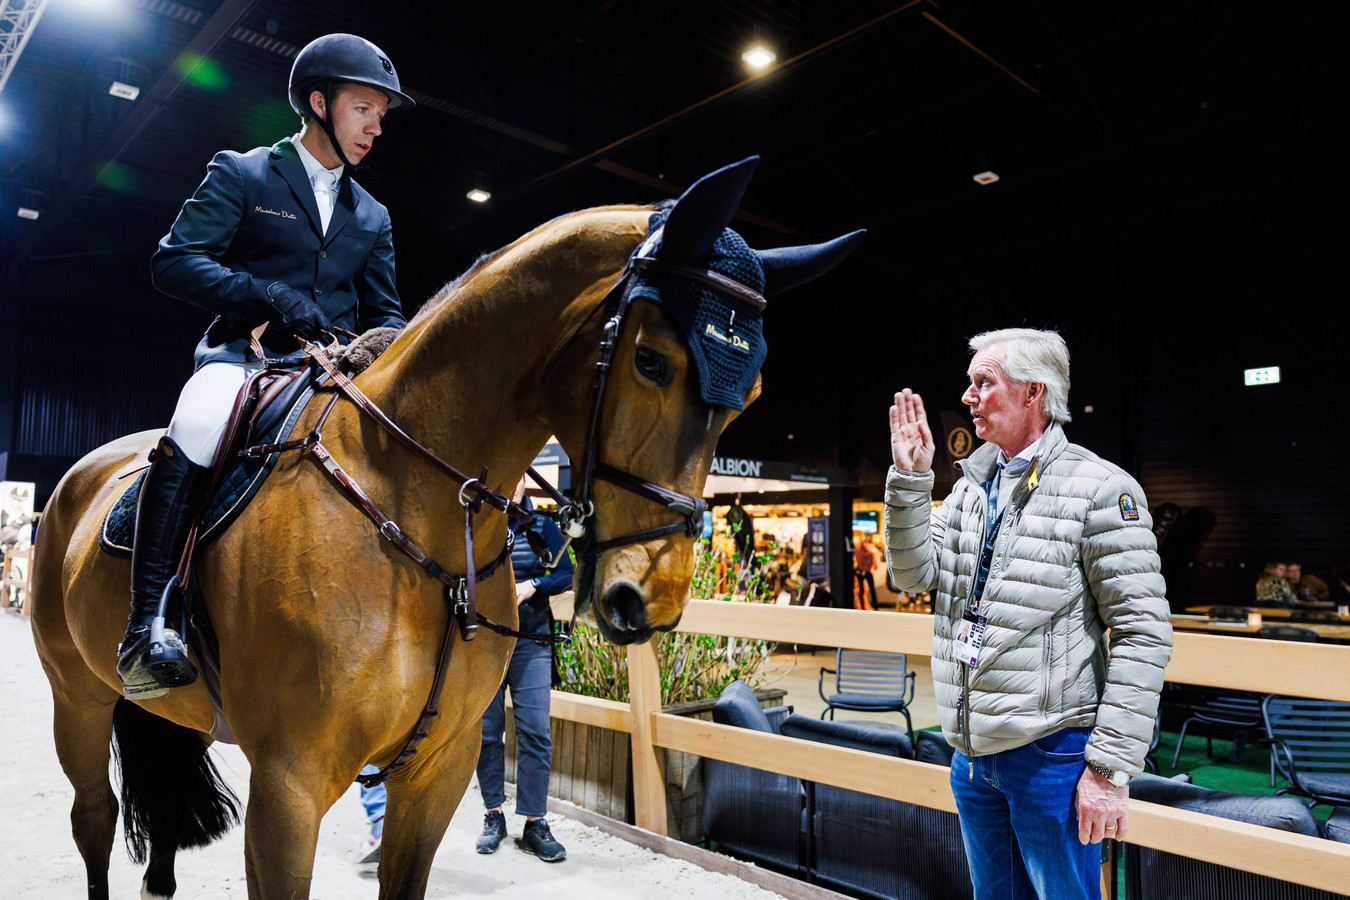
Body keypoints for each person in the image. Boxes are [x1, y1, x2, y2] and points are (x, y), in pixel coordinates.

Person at [115, 34, 413, 700]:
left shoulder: (373, 214)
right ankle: (150, 623)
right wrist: (266, 294)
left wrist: (380, 344)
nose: (374, 125)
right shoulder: (245, 173)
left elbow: (388, 313)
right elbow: (174, 260)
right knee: (197, 418)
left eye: (381, 115)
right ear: (319, 100)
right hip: (244, 361)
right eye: (364, 107)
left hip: (331, 371)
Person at [884, 327, 1172, 900]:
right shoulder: (970, 489)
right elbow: (913, 576)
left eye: (983, 383)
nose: (968, 397)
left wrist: (1109, 769)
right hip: (970, 752)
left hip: (1052, 756)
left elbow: (1143, 633)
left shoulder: (1100, 488)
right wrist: (912, 482)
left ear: (1032, 393)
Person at [476, 482, 574, 862]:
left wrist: (533, 585)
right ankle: (492, 815)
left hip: (532, 643)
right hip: (485, 645)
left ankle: (536, 823)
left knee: (535, 731)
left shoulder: (543, 524)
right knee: (487, 732)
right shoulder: (481, 521)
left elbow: (566, 573)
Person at [854, 537, 878, 610]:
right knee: (872, 589)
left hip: (860, 571)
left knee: (861, 589)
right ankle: (875, 606)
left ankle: (862, 606)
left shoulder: (858, 548)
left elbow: (856, 557)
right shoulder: (873, 549)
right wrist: (871, 568)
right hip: (869, 571)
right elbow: (876, 562)